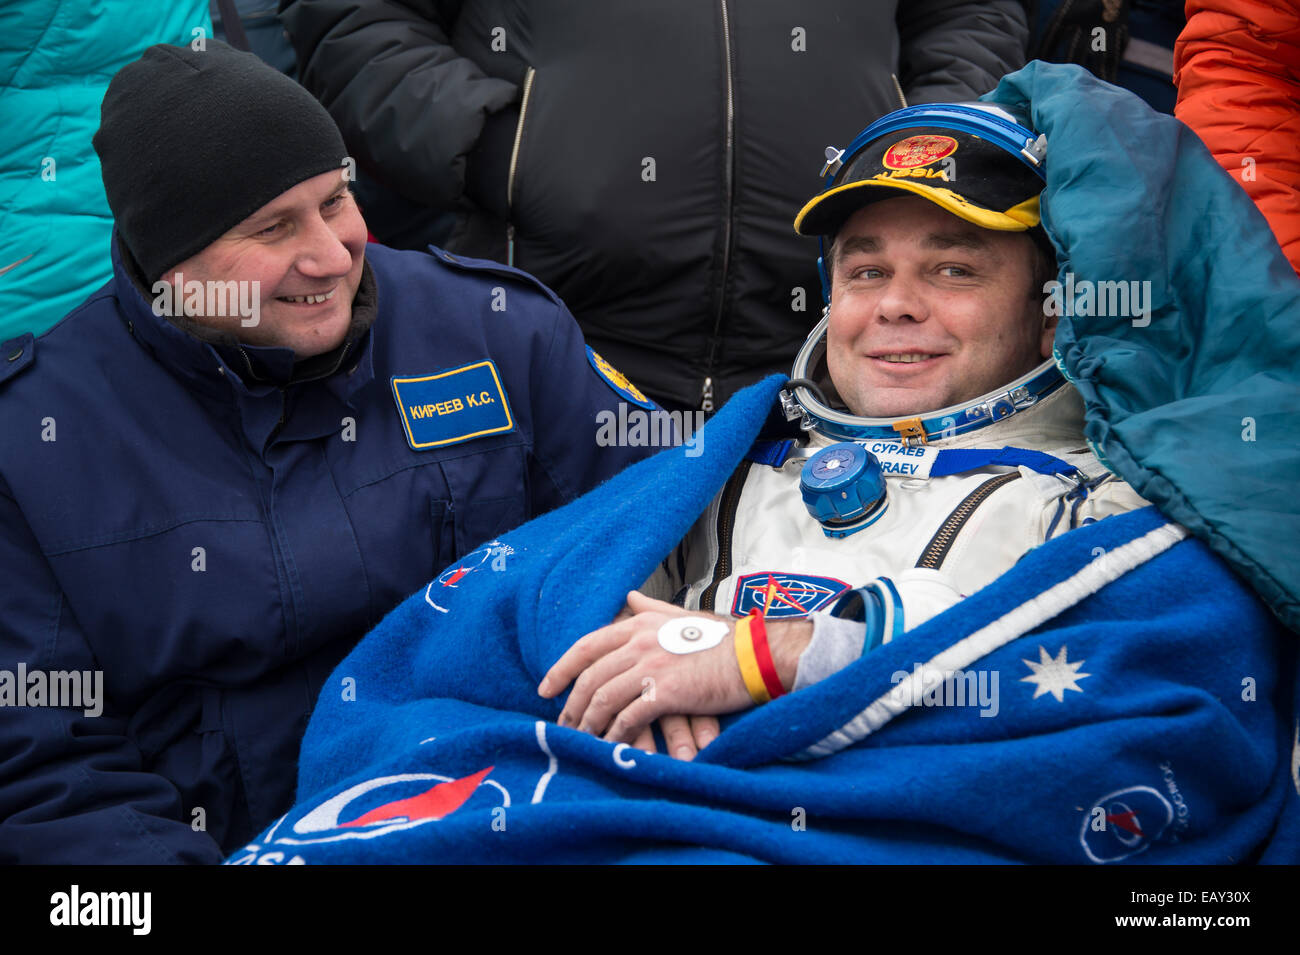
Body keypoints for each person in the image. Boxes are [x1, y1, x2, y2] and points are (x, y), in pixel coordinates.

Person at [0, 41, 655, 863]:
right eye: (273, 228)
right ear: (171, 266)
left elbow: (661, 545)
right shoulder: (34, 441)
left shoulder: (494, 327)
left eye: (335, 200)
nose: (332, 253)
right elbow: (43, 771)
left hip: (529, 815)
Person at [539, 103, 1149, 758]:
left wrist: (781, 655)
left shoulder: (1109, 504)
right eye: (867, 272)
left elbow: (1085, 697)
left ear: (1051, 312)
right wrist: (614, 651)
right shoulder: (718, 473)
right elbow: (549, 614)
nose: (895, 305)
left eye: (953, 271)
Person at [278, 0, 1031, 412]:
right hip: (553, 347)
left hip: (840, 353)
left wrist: (922, 144)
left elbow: (970, 13)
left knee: (815, 662)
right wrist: (498, 148)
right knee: (561, 665)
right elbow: (354, 18)